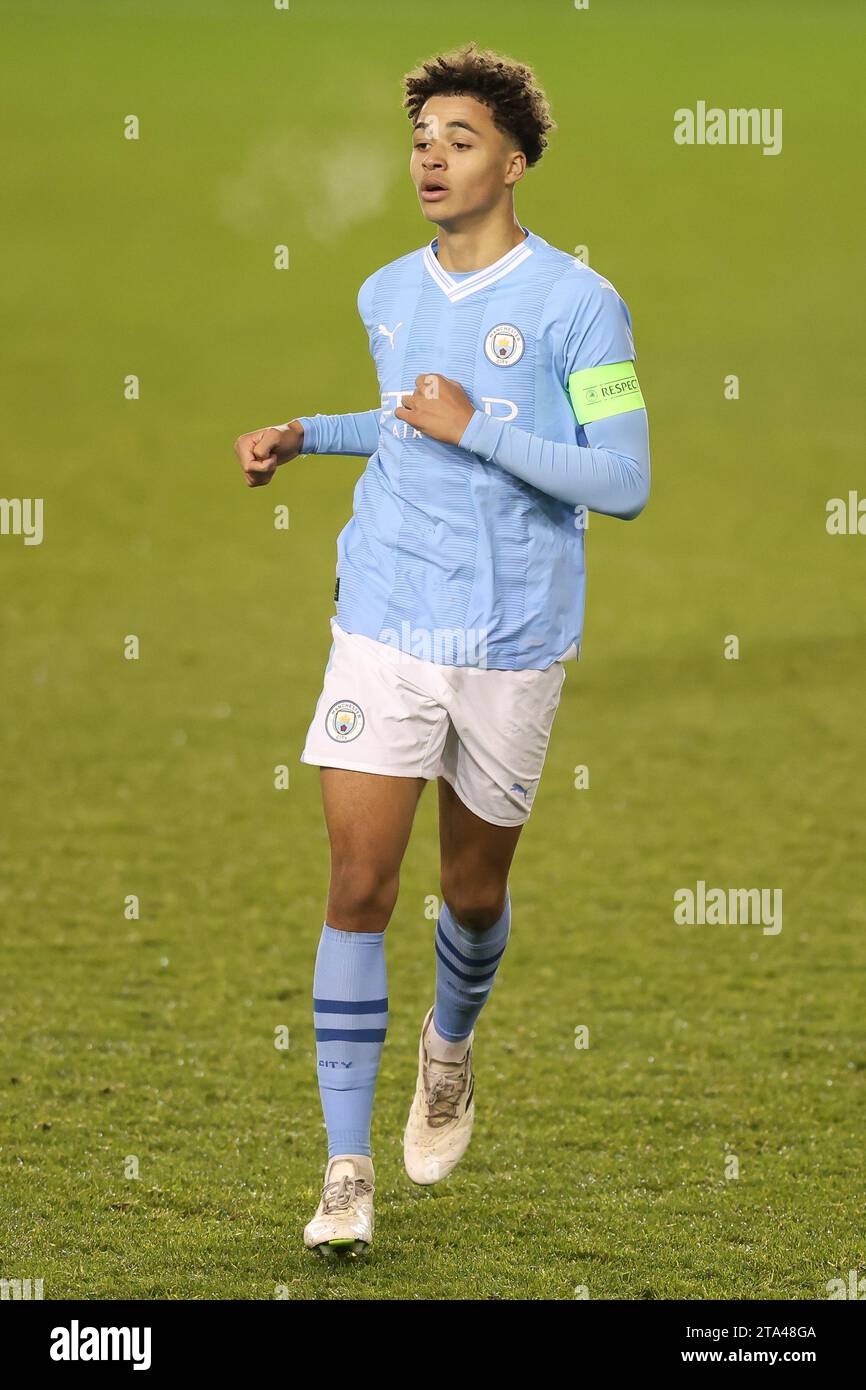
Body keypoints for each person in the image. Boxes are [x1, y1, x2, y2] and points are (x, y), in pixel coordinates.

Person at [233, 42, 650, 1258]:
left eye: (458, 138)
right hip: (383, 622)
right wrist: (309, 431)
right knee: (357, 888)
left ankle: (450, 1047)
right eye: (420, 137)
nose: (430, 154)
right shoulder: (383, 291)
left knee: (469, 897)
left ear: (512, 161)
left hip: (512, 640)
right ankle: (345, 1167)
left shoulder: (580, 302)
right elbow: (409, 423)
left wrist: (480, 430)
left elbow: (620, 481)